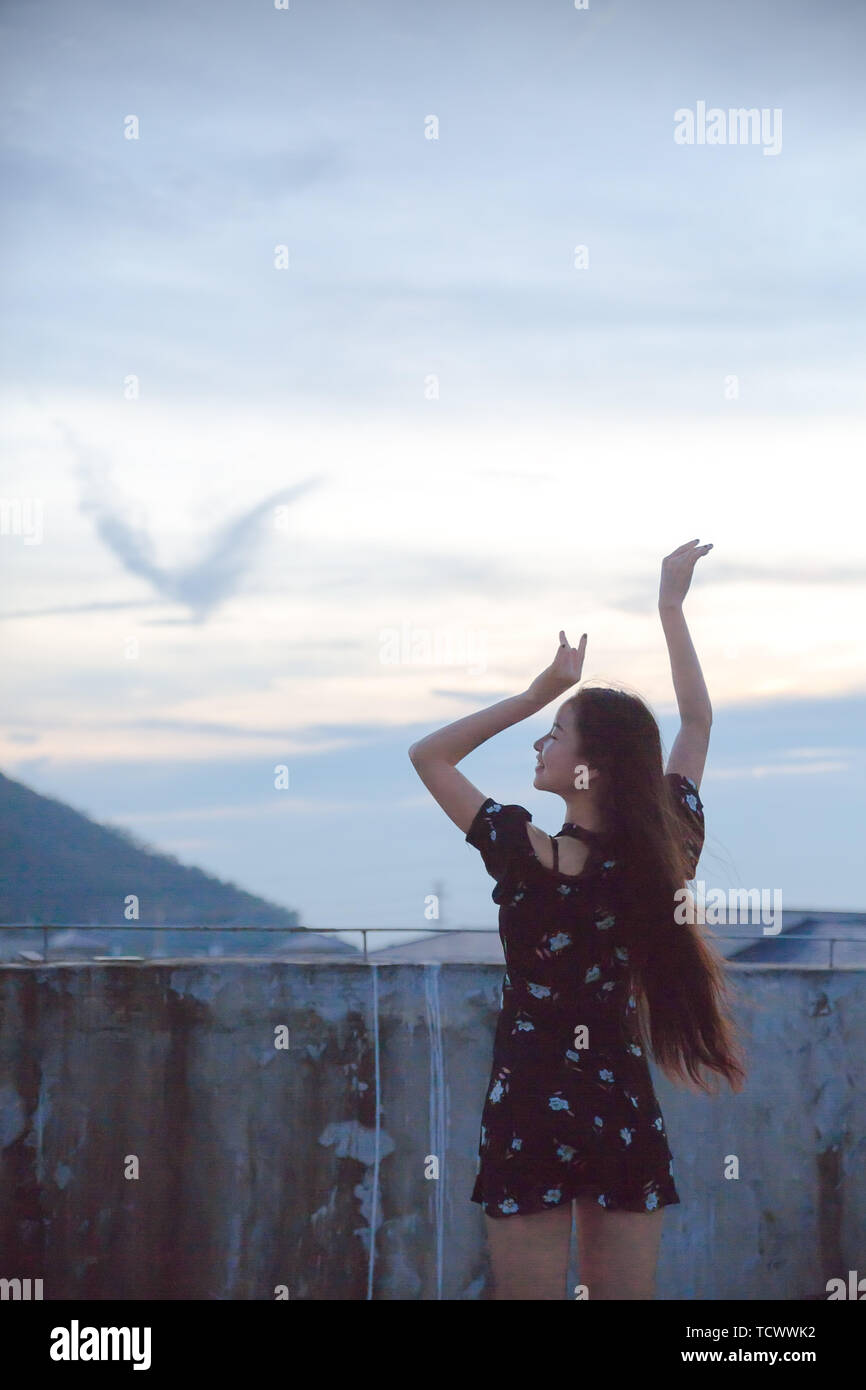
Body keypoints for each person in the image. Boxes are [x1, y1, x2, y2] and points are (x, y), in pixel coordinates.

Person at [408, 539, 746, 1300]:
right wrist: (670, 608)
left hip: (528, 1102)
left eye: (555, 732)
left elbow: (430, 755)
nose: (540, 740)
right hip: (617, 1099)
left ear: (591, 762)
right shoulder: (662, 852)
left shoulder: (527, 854)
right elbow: (695, 720)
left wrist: (535, 691)